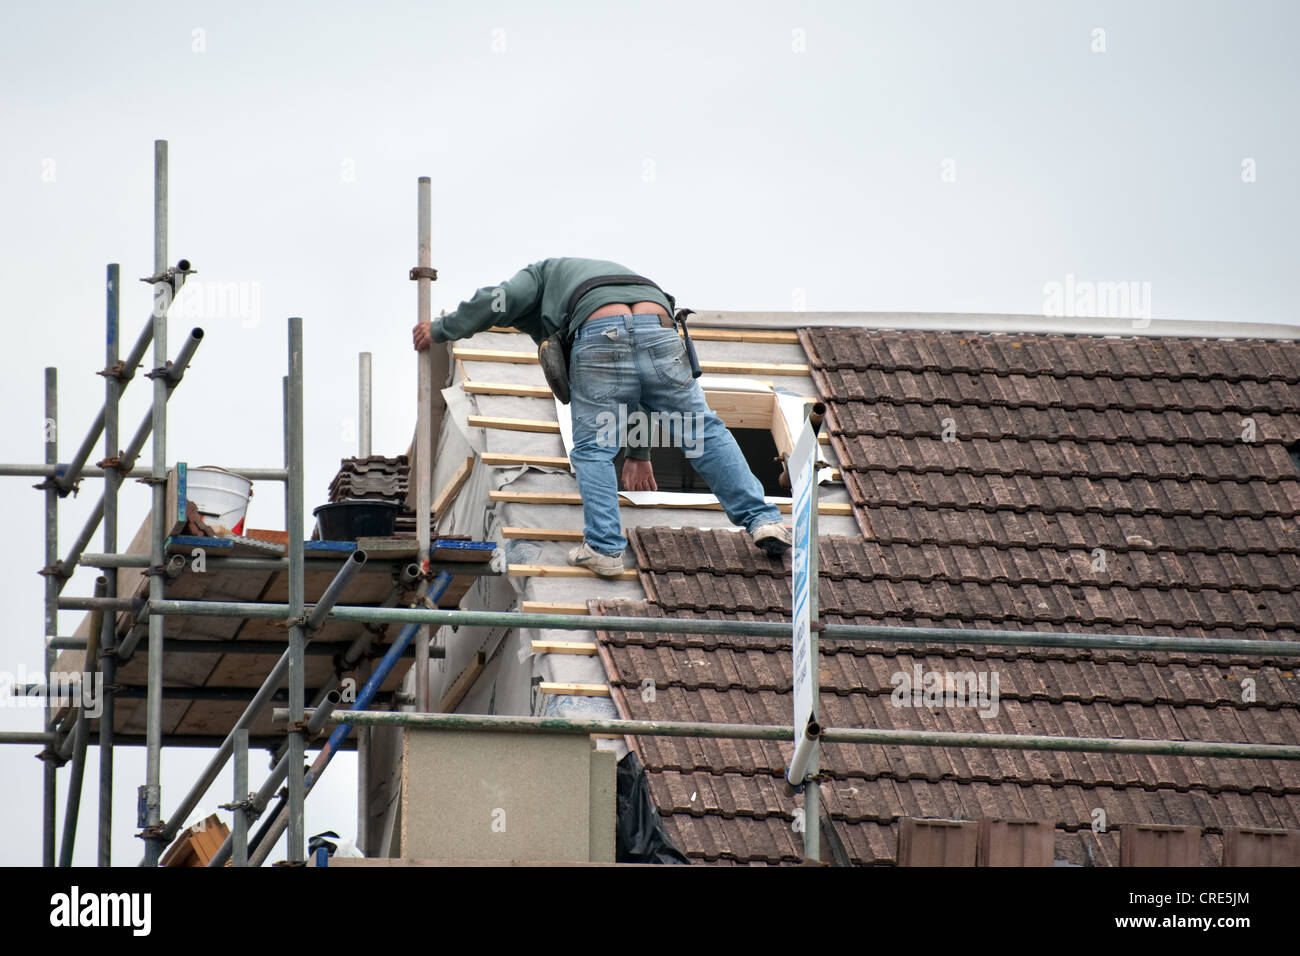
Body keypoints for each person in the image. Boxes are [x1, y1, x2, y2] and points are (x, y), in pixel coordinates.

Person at [413, 257, 791, 576]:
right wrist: (639, 454)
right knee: (702, 432)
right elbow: (639, 379)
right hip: (660, 328)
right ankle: (764, 520)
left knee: (594, 448)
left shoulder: (540, 274)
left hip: (599, 333)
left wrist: (443, 330)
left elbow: (499, 300)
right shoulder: (597, 274)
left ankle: (606, 549)